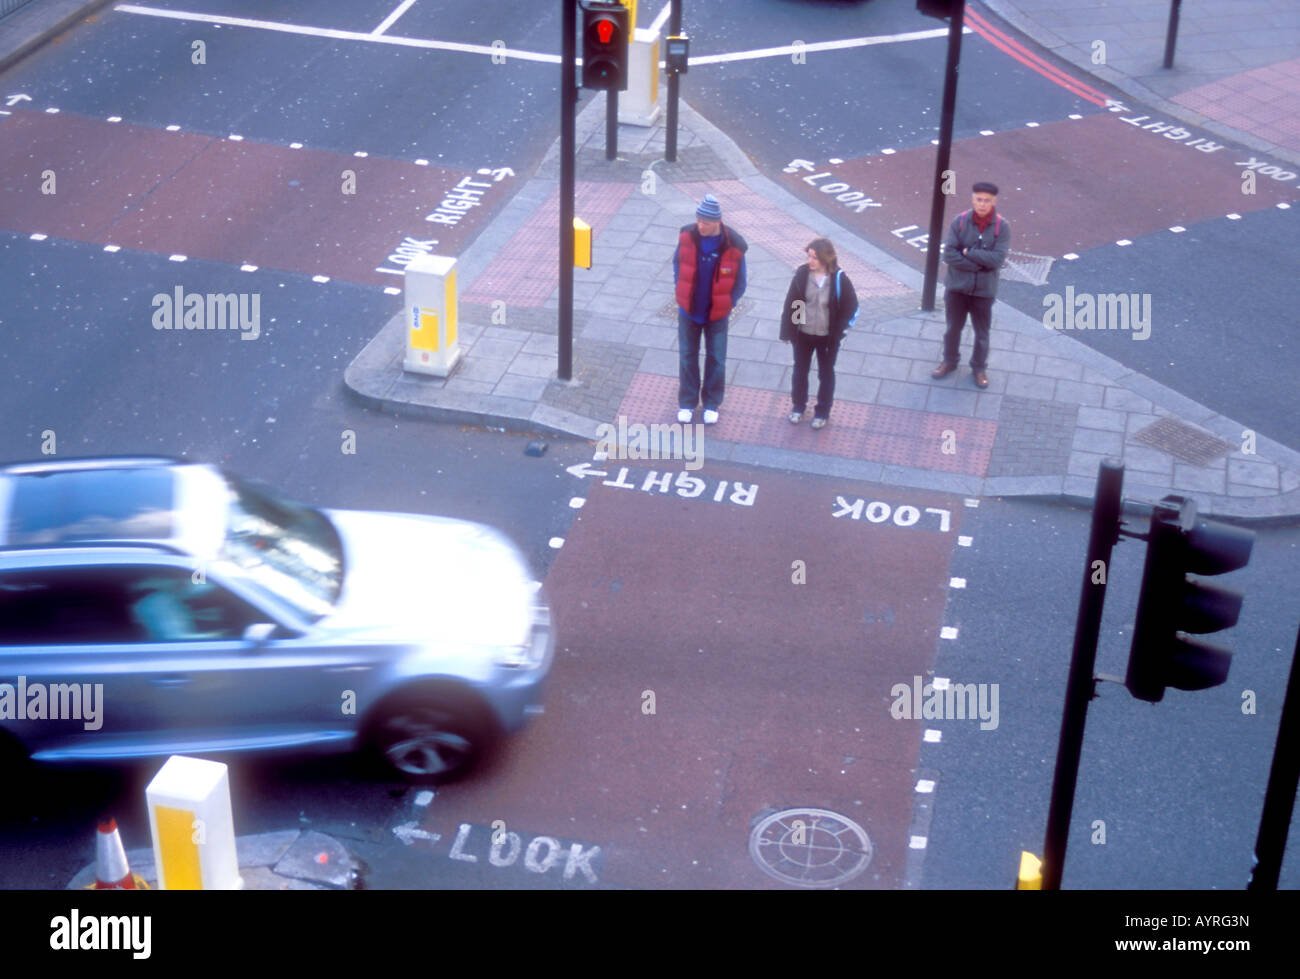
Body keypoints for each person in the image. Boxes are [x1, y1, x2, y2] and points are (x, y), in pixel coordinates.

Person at [672, 194, 748, 424]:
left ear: (717, 222)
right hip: (689, 311)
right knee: (687, 357)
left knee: (717, 359)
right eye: (698, 220)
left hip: (717, 315)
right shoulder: (687, 236)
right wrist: (680, 291)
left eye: (705, 222)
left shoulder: (734, 245)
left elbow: (740, 281)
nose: (700, 225)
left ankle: (712, 403)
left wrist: (729, 303)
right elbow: (677, 263)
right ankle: (687, 402)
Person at [931, 181, 1011, 389]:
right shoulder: (959, 222)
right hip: (957, 288)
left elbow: (997, 260)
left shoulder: (1002, 227)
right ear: (972, 199)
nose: (982, 204)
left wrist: (968, 252)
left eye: (987, 200)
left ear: (994, 201)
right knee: (952, 329)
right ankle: (949, 361)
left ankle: (979, 367)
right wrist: (979, 266)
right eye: (978, 199)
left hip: (984, 292)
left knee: (982, 333)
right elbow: (949, 254)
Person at [779, 238, 858, 429]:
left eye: (814, 257)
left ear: (825, 258)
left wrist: (838, 332)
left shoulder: (839, 279)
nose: (810, 261)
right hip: (803, 334)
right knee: (800, 371)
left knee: (826, 374)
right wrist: (790, 331)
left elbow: (851, 307)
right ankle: (798, 407)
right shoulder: (802, 275)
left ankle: (822, 411)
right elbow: (794, 303)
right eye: (809, 256)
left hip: (827, 338)